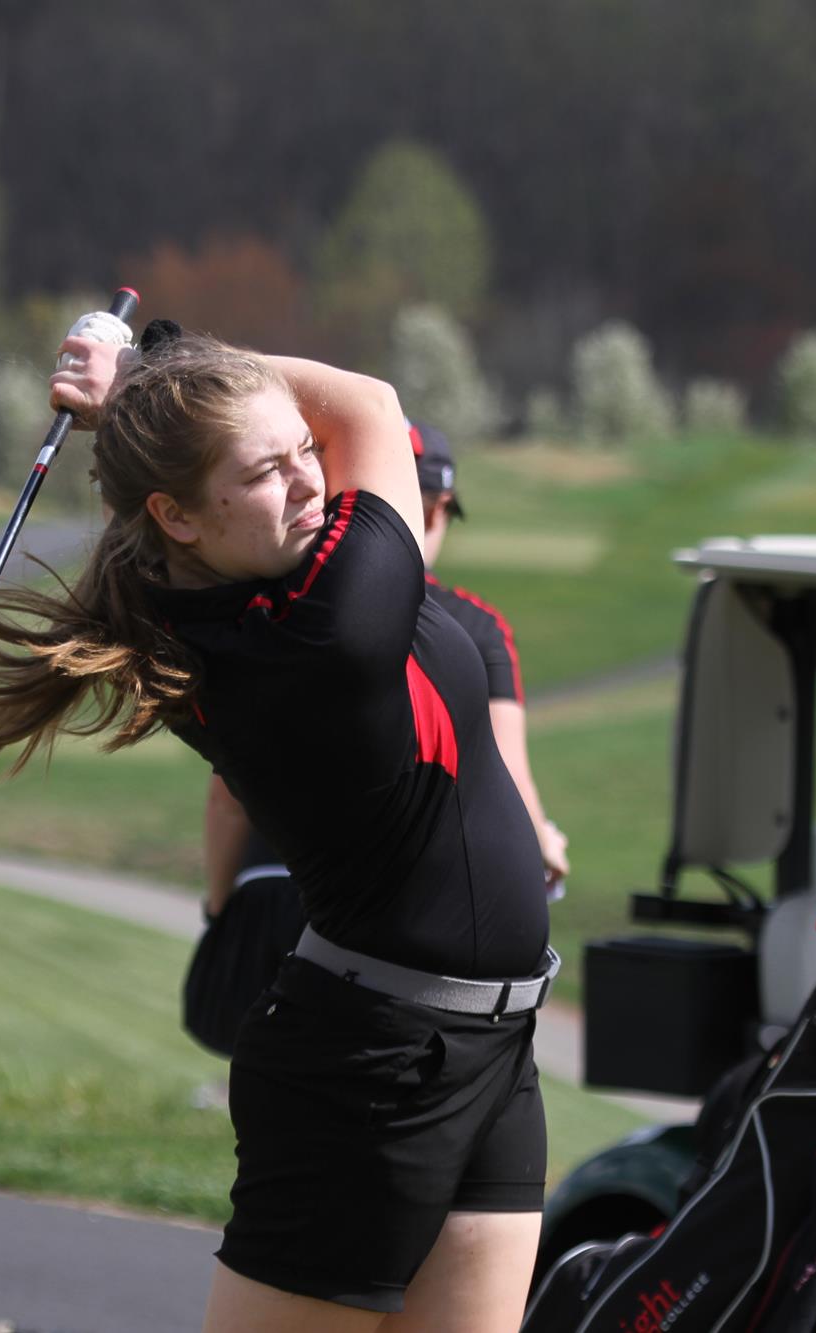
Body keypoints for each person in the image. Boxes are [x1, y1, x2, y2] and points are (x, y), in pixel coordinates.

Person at [0, 327, 557, 1331]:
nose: (305, 480)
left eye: (302, 453)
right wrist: (153, 369)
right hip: (368, 1065)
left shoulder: (229, 591)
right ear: (176, 516)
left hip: (492, 1041)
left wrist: (146, 386)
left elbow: (306, 434)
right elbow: (370, 404)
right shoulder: (329, 626)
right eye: (265, 471)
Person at [185, 418, 569, 1059]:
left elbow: (229, 798)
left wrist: (220, 911)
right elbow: (507, 781)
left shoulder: (283, 607)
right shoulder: (473, 625)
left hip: (270, 896)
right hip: (398, 932)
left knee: (278, 1102)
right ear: (439, 507)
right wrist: (543, 841)